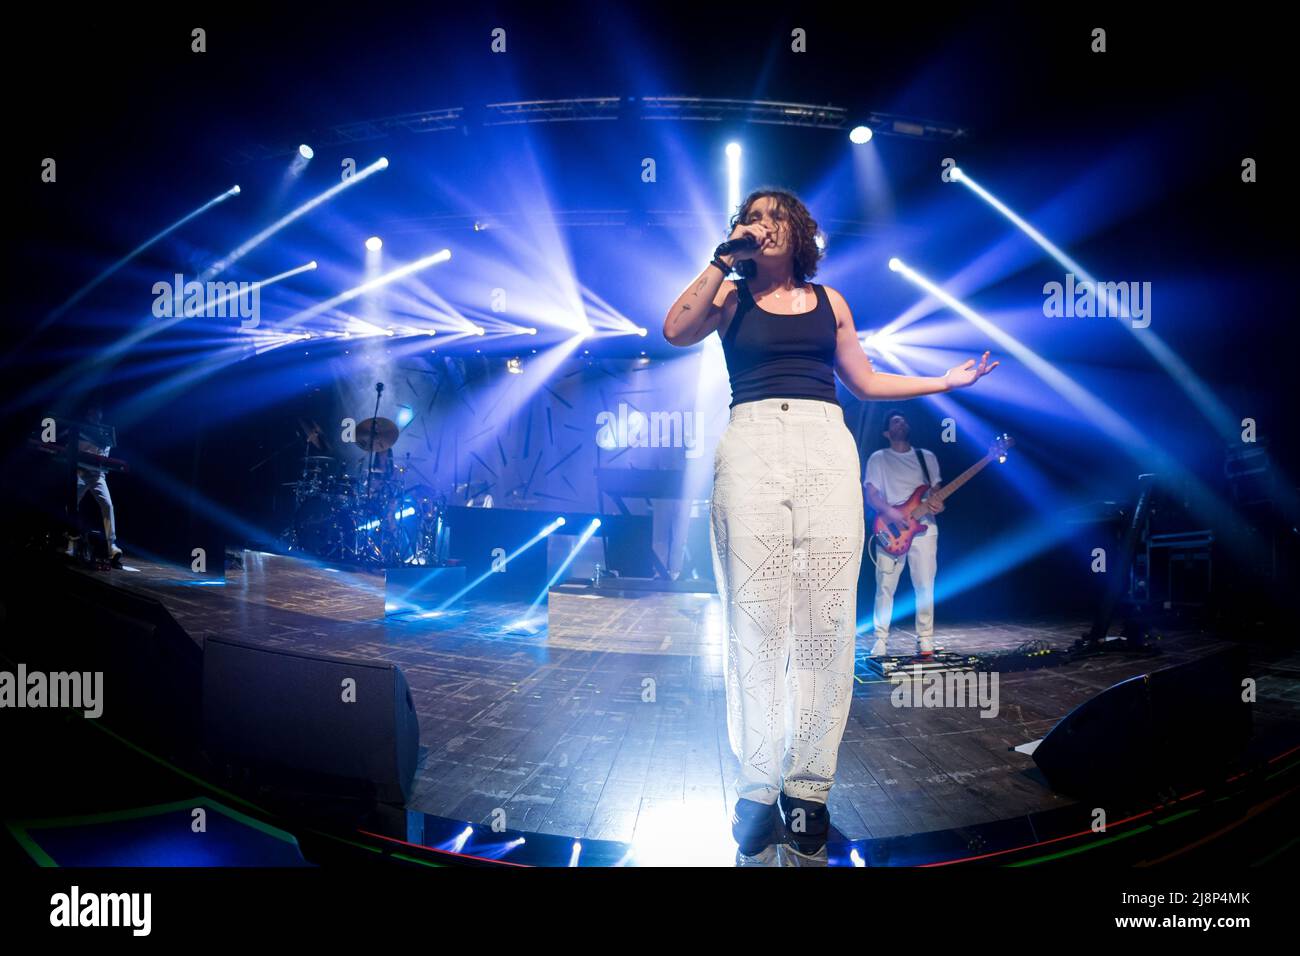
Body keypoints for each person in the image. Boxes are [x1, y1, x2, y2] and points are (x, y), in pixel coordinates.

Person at [663, 187, 997, 861]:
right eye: (748, 218)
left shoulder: (830, 301)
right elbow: (674, 329)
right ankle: (757, 788)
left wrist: (944, 381)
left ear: (797, 230)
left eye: (770, 216)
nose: (759, 226)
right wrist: (719, 262)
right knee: (755, 624)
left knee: (823, 627)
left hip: (824, 443)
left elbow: (867, 382)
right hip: (751, 441)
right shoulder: (728, 295)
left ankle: (808, 788)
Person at [865, 410, 942, 659]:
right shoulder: (879, 458)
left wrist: (938, 503)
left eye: (904, 419)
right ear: (887, 432)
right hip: (890, 529)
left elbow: (935, 492)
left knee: (925, 586)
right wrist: (891, 513)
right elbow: (872, 494)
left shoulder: (926, 457)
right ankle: (880, 640)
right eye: (896, 421)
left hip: (925, 529)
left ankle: (926, 639)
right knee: (885, 586)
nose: (902, 423)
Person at [66, 400, 122, 563]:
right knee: (70, 503)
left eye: (97, 412)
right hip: (80, 473)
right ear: (88, 413)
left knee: (108, 505)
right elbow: (70, 449)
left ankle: (112, 545)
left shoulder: (105, 433)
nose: (95, 415)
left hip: (97, 476)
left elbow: (105, 456)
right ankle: (71, 539)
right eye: (92, 412)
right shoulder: (79, 429)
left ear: (100, 415)